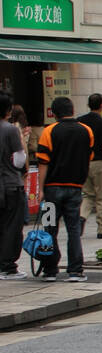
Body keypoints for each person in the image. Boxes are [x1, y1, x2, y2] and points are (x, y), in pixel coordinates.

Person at [34, 96, 92, 282]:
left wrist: (40, 189)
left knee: (49, 228)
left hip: (52, 189)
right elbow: (88, 157)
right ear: (72, 110)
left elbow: (43, 162)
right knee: (73, 229)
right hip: (74, 189)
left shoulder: (48, 131)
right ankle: (75, 270)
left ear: (54, 112)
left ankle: (50, 269)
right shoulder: (86, 131)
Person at [77, 93, 102, 239]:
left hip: (83, 163)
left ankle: (81, 217)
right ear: (101, 106)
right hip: (98, 162)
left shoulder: (80, 122)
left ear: (88, 105)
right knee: (101, 197)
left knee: (87, 194)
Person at [0, 94, 26, 279]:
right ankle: (8, 266)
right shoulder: (10, 129)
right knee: (12, 226)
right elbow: (19, 160)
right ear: (8, 110)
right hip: (10, 183)